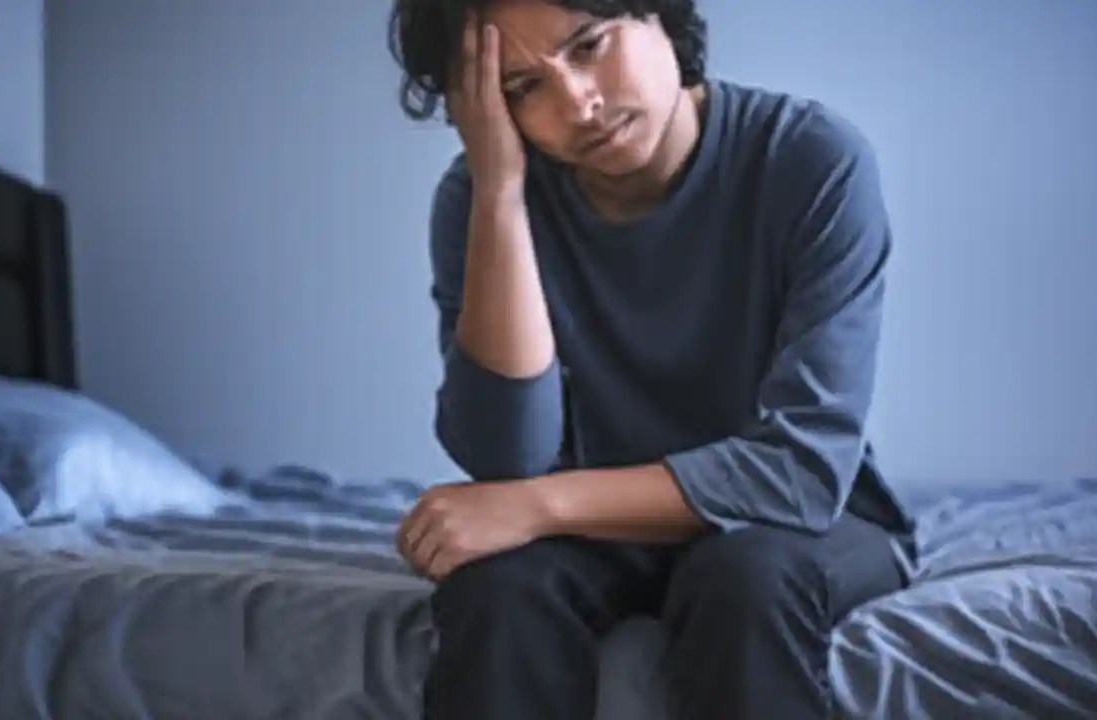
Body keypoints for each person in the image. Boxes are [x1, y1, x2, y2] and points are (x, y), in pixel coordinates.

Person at [387, 0, 917, 718]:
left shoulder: (809, 159)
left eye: (589, 45)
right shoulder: (477, 200)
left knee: (743, 577)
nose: (578, 101)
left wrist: (538, 506)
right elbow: (506, 456)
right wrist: (500, 195)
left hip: (801, 527)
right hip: (595, 533)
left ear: (661, 16)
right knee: (496, 588)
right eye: (521, 89)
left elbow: (801, 471)